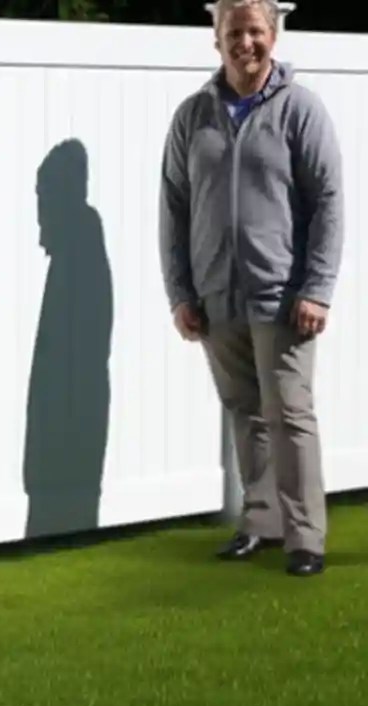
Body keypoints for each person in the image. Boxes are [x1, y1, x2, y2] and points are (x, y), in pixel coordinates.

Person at [159, 0, 344, 577]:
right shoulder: (193, 116)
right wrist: (180, 292)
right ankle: (262, 522)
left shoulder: (300, 110)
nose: (245, 43)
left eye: (256, 31)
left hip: (283, 295)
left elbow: (328, 202)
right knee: (245, 412)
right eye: (234, 32)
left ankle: (305, 537)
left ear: (274, 36)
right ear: (216, 39)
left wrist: (317, 287)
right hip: (217, 297)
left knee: (290, 413)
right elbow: (174, 208)